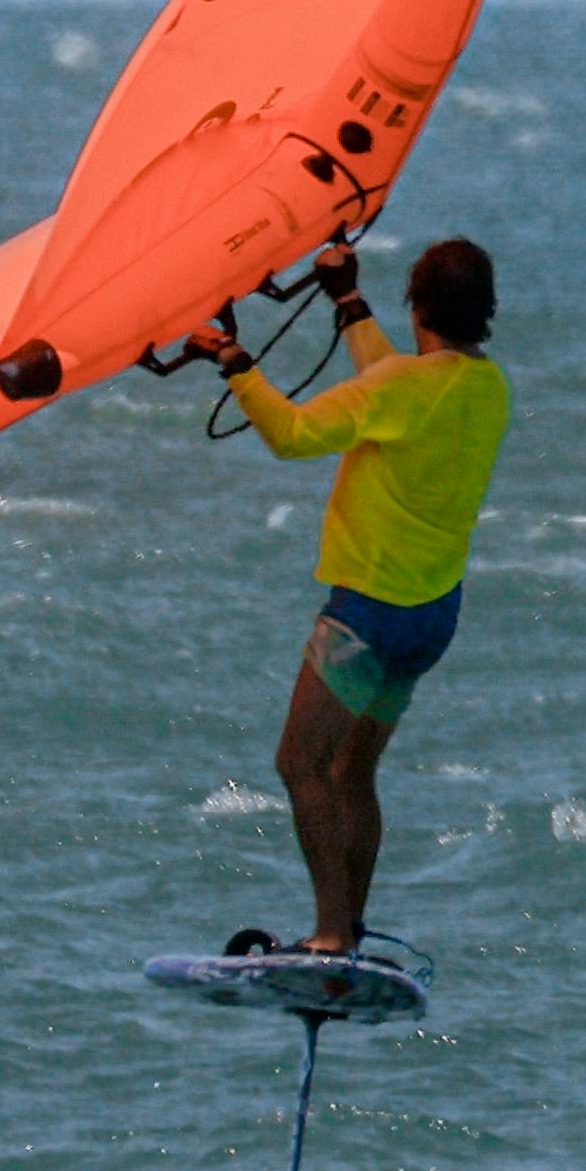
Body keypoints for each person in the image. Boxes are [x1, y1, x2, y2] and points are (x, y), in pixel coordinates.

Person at [206, 235, 508, 968]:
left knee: (299, 764)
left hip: (366, 616)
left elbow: (293, 434)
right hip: (430, 619)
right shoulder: (486, 385)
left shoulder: (402, 387)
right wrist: (347, 303)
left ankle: (330, 932)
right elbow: (394, 381)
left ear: (419, 305)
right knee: (351, 774)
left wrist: (232, 360)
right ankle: (354, 923)